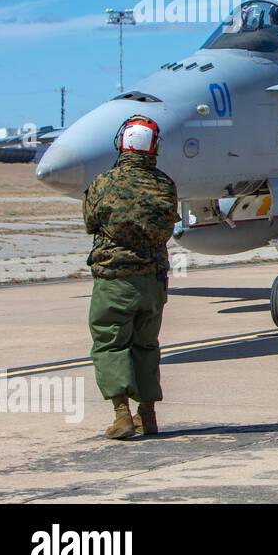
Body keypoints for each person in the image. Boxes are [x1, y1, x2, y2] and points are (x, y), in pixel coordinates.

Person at [83, 115, 178, 439]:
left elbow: (90, 222)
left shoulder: (103, 183)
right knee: (146, 345)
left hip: (115, 279)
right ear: (154, 148)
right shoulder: (165, 185)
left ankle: (122, 414)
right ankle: (147, 415)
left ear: (122, 144)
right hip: (152, 282)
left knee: (110, 343)